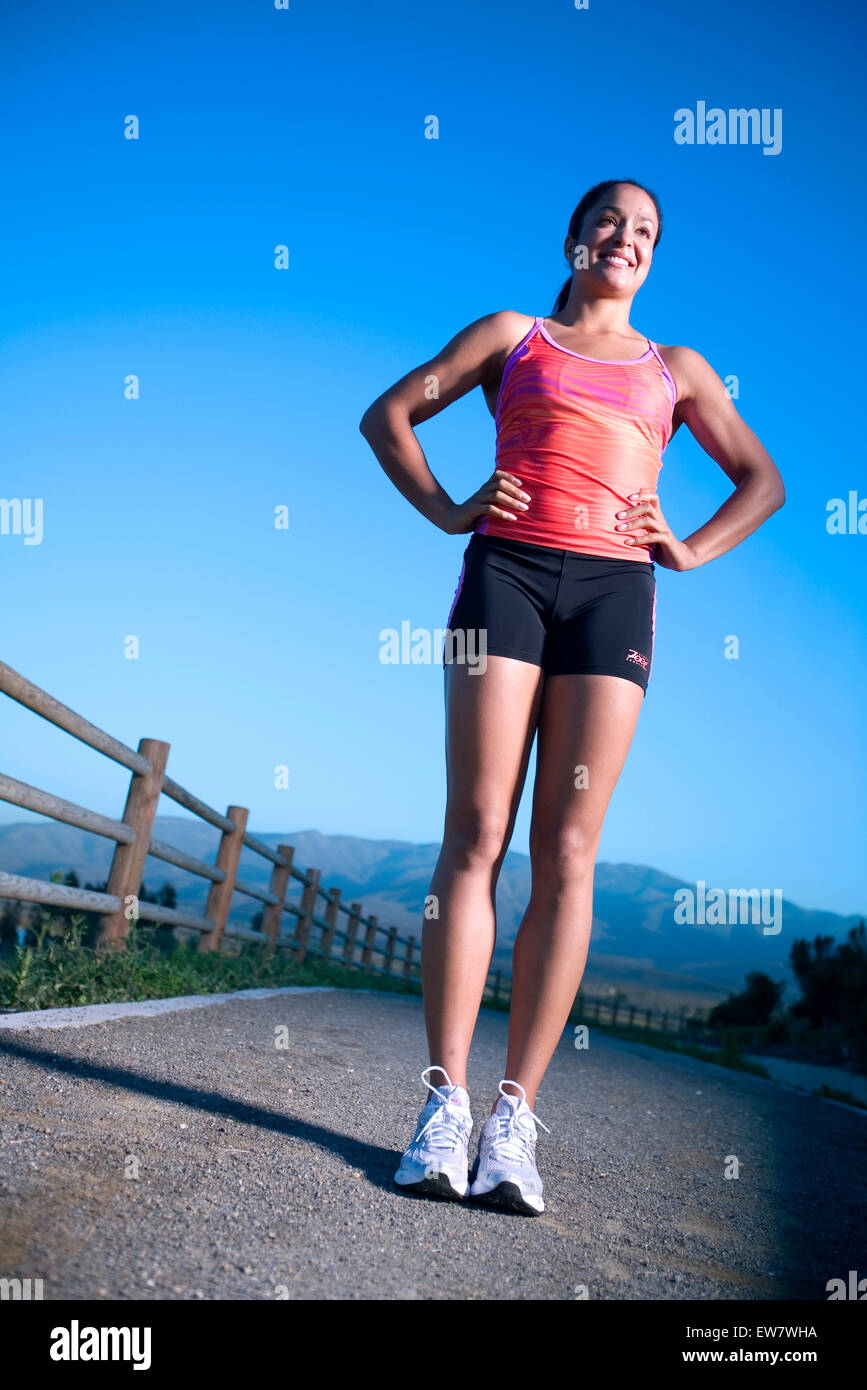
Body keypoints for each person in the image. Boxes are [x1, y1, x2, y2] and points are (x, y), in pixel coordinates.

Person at [358, 178, 784, 1216]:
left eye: (645, 231)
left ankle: (513, 1119)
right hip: (504, 574)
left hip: (614, 593)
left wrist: (686, 549)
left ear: (653, 256)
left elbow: (763, 481)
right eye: (610, 221)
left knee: (571, 850)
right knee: (475, 834)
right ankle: (445, 1107)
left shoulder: (675, 369)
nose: (624, 239)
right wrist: (450, 509)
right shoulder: (516, 335)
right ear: (573, 236)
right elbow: (389, 414)